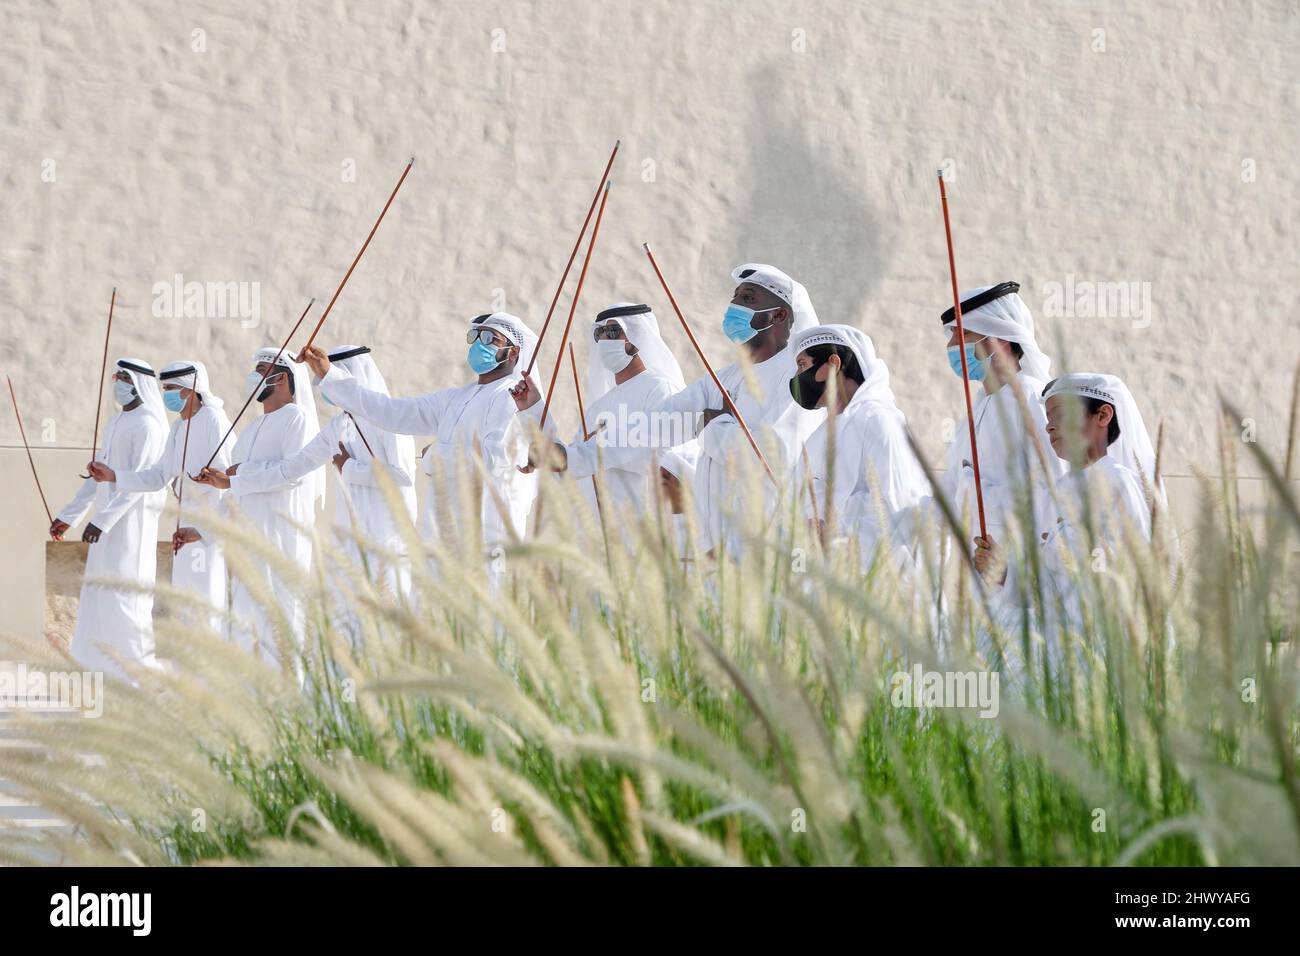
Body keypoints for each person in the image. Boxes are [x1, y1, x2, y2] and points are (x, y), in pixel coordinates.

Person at [299, 313, 539, 591]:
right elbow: (389, 411)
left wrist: (433, 455)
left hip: (486, 540)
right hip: (441, 539)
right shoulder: (455, 398)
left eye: (490, 339)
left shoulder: (513, 399)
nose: (478, 345)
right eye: (475, 337)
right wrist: (329, 374)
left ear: (514, 352)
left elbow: (493, 461)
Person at [973, 373, 1159, 663]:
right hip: (1063, 656)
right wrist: (1005, 571)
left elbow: (1134, 570)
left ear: (1103, 415)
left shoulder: (1116, 482)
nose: (1049, 425)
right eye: (1047, 417)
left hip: (1107, 653)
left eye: (1059, 413)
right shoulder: (1058, 493)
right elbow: (1046, 586)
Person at [645, 263, 825, 556]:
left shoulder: (795, 377)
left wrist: (712, 425)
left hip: (767, 545)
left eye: (748, 299)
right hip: (718, 548)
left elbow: (772, 454)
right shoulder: (726, 376)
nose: (734, 306)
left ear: (779, 315)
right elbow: (661, 422)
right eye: (735, 297)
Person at [226, 345, 417, 602]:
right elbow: (293, 468)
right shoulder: (339, 424)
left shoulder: (389, 417)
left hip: (386, 541)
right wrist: (235, 478)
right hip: (349, 544)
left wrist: (349, 467)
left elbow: (403, 476)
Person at [194, 348, 323, 665]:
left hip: (281, 544)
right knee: (247, 627)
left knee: (281, 627)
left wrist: (237, 476)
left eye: (260, 370)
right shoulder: (251, 429)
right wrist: (202, 530)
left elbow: (291, 475)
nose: (253, 377)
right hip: (249, 546)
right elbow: (237, 492)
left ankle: (290, 709)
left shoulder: (298, 419)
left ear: (280, 377)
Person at [87, 359, 232, 634]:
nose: (166, 394)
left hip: (208, 529)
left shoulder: (214, 420)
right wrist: (114, 475)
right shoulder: (178, 427)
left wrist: (202, 530)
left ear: (191, 389)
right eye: (164, 387)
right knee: (186, 610)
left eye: (172, 388)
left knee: (206, 605)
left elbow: (228, 485)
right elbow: (158, 476)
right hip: (183, 526)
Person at [511, 303, 686, 525]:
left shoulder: (660, 389)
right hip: (596, 536)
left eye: (612, 332)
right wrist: (533, 410)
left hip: (643, 533)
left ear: (637, 338)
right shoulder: (599, 406)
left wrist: (599, 450)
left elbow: (670, 461)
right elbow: (568, 466)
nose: (604, 340)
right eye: (599, 333)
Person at [50, 358, 168, 677]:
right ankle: (94, 664)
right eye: (116, 376)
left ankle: (132, 670)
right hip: (104, 526)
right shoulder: (115, 423)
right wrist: (69, 516)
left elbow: (140, 483)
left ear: (138, 383)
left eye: (123, 377)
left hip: (131, 525)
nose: (117, 382)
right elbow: (99, 477)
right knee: (99, 592)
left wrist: (102, 520)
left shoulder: (148, 425)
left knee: (125, 592)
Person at [788, 325, 929, 568]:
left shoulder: (878, 419)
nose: (797, 377)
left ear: (833, 364)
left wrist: (832, 528)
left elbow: (899, 509)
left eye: (803, 365)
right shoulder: (819, 435)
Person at [938, 282, 1067, 547]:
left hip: (1025, 570)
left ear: (1001, 339)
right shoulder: (975, 414)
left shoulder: (1033, 400)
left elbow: (1057, 494)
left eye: (964, 335)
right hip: (982, 574)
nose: (952, 345)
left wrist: (980, 496)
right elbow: (950, 494)